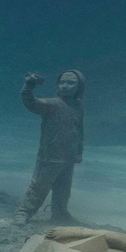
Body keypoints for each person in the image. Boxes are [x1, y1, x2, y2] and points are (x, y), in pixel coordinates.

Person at [15, 68, 85, 224]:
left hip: (68, 157)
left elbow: (79, 130)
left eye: (70, 83)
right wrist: (29, 86)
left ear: (79, 87)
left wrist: (79, 152)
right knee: (39, 185)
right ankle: (23, 212)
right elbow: (32, 103)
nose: (65, 86)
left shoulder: (78, 106)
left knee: (63, 189)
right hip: (50, 155)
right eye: (62, 82)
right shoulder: (53, 104)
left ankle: (60, 213)